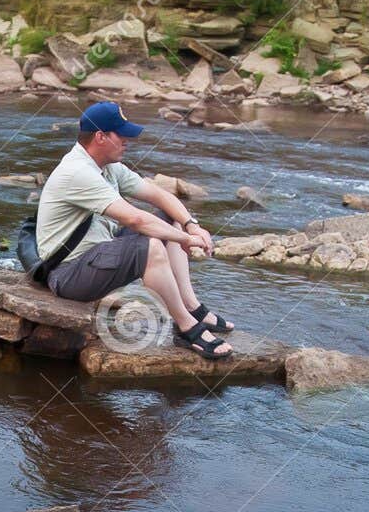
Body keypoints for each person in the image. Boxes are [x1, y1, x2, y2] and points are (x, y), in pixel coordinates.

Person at [35, 101, 233, 360]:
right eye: (122, 134)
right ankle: (186, 327)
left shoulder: (108, 167)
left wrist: (189, 224)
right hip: (68, 274)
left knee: (169, 221)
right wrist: (187, 240)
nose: (128, 140)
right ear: (100, 137)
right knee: (149, 245)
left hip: (96, 255)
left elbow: (159, 195)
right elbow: (135, 220)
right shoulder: (77, 171)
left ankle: (191, 306)